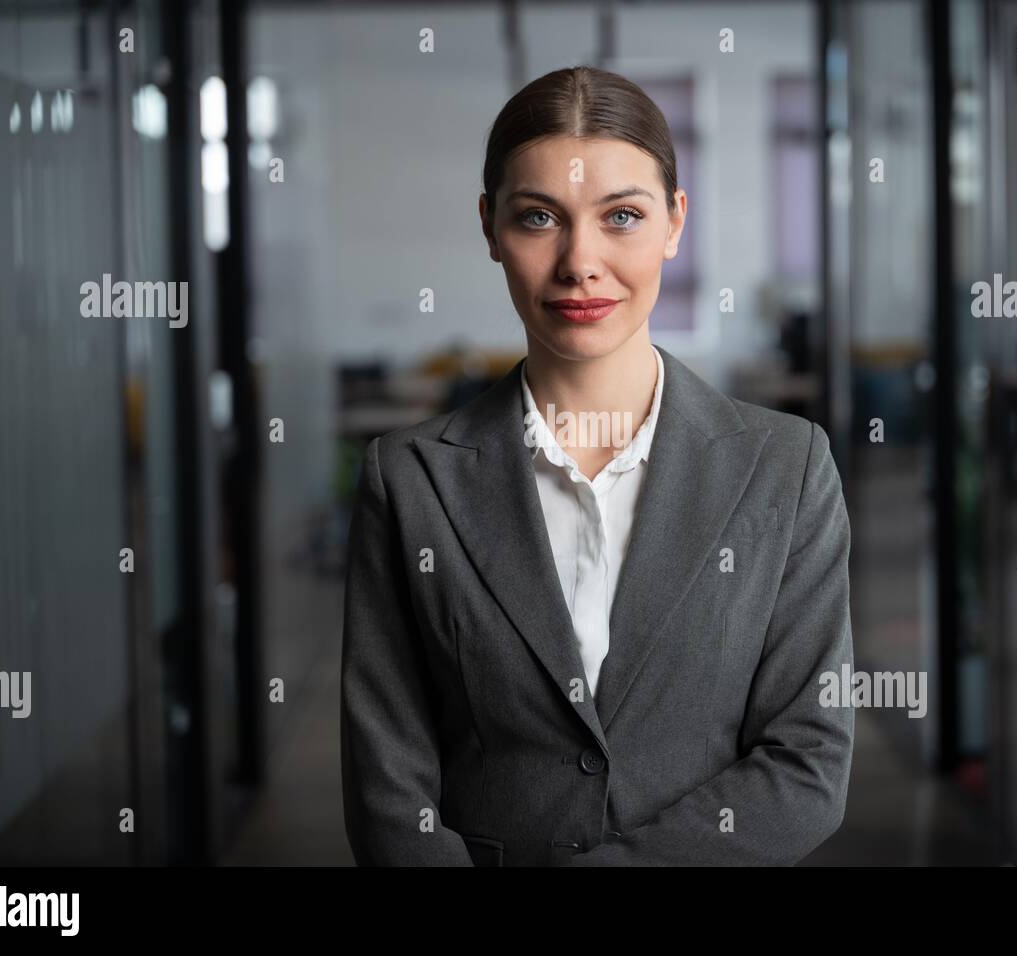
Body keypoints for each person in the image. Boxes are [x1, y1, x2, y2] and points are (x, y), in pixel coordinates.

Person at [341, 65, 853, 866]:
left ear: (675, 222)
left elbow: (809, 762)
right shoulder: (409, 481)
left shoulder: (785, 470)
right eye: (540, 217)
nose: (581, 262)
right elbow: (385, 786)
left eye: (622, 216)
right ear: (489, 227)